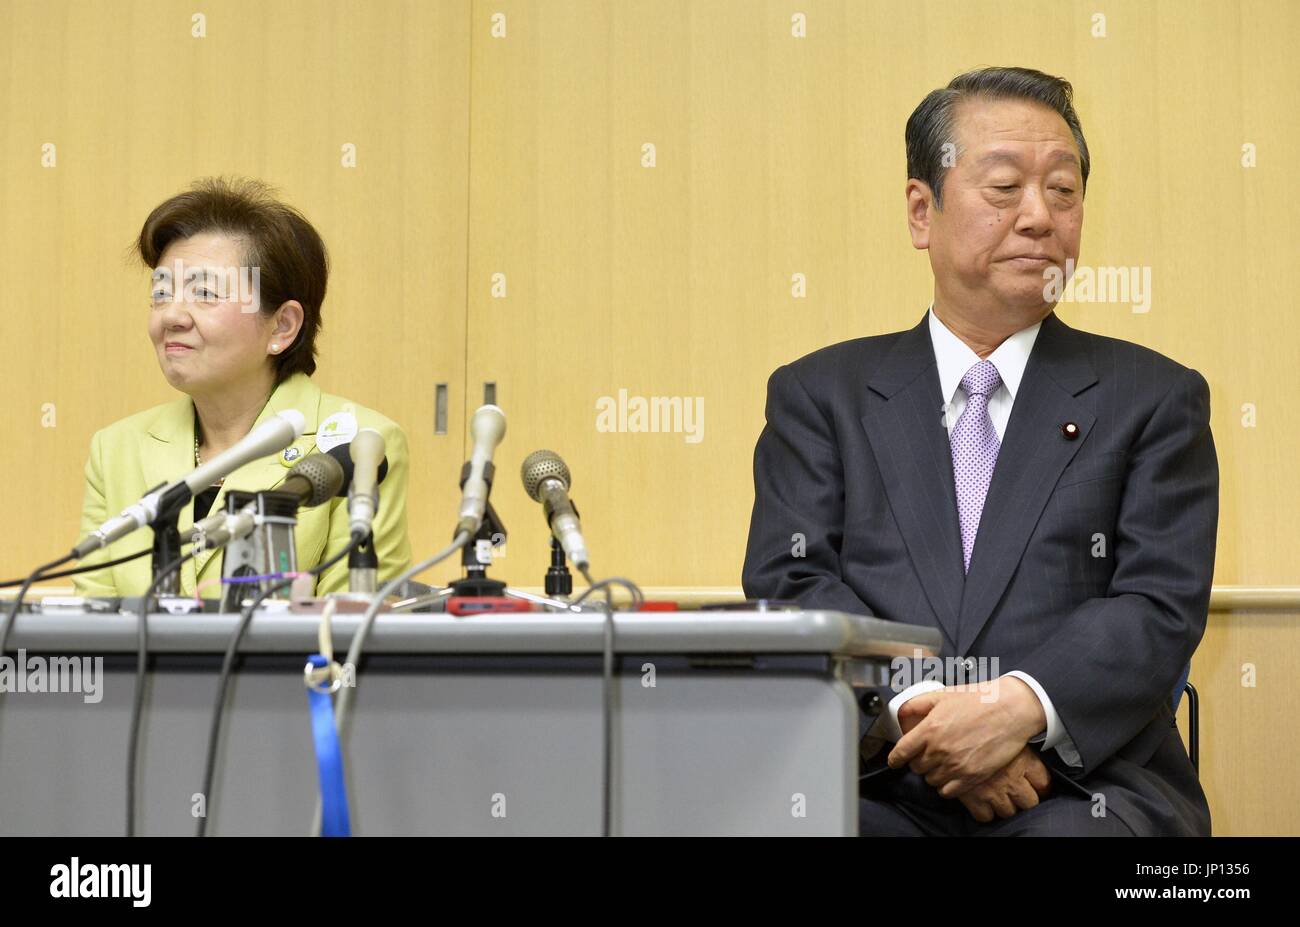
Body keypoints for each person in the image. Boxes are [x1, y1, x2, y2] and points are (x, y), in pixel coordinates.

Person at [742, 68, 1216, 836]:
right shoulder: (820, 395)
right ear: (921, 211)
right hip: (878, 772)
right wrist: (929, 723)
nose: (1040, 216)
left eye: (1063, 191)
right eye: (1005, 186)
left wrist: (1015, 711)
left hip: (1084, 779)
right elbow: (792, 587)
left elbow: (1156, 607)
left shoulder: (1154, 397)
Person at [73, 177, 412, 598]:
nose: (172, 316)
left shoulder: (360, 446)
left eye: (205, 293)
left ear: (282, 325)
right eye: (161, 293)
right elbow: (96, 621)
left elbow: (353, 626)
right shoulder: (117, 449)